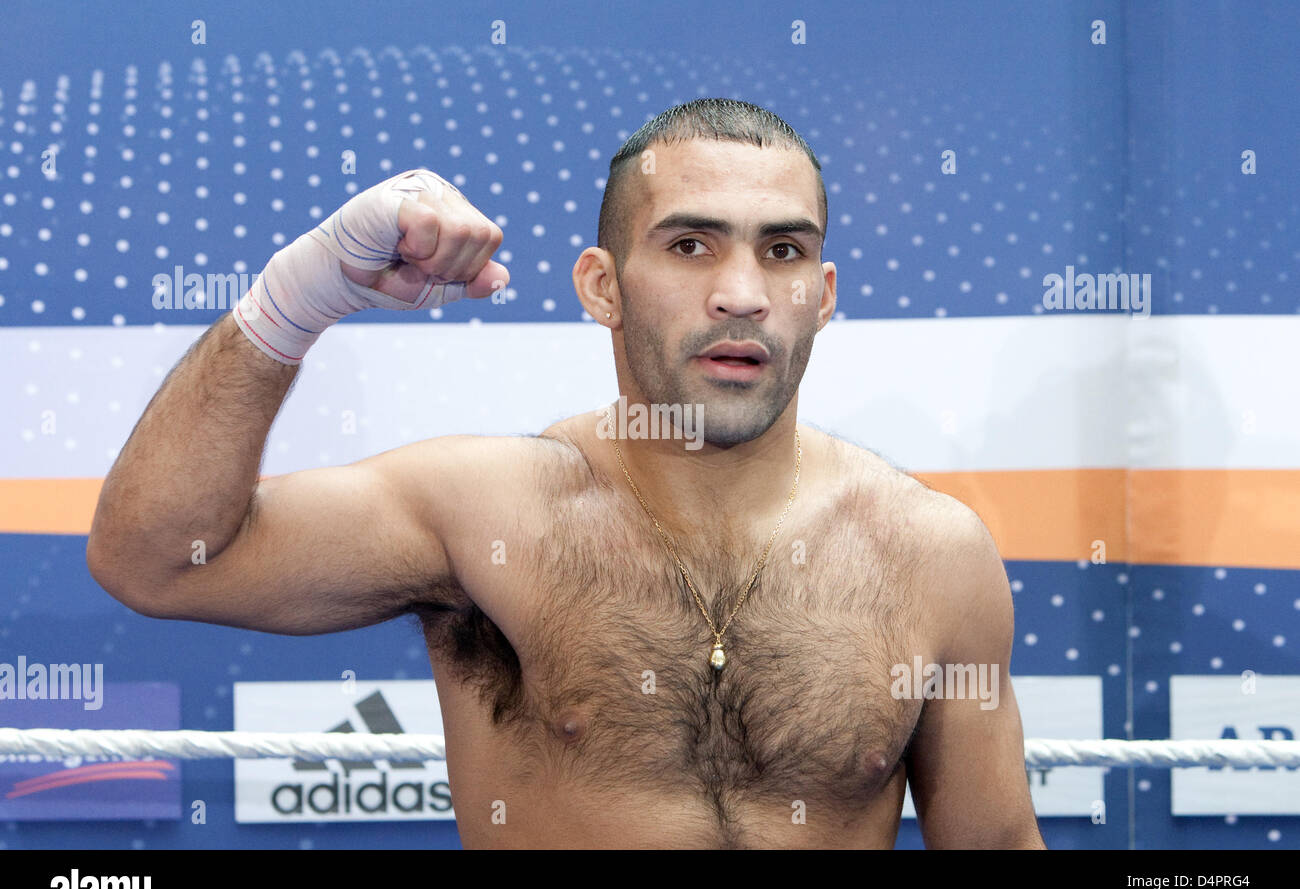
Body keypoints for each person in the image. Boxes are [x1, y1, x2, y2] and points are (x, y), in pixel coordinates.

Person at [87, 98, 1046, 849]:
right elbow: (159, 559)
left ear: (823, 295)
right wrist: (299, 295)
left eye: (783, 250)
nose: (743, 293)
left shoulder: (931, 555)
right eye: (689, 244)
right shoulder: (488, 515)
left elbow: (996, 843)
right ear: (601, 285)